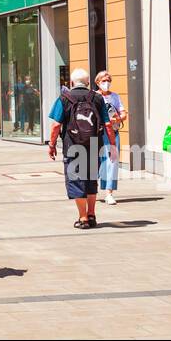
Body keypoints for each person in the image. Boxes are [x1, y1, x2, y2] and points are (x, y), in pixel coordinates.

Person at [48, 69, 114, 229]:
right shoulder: (97, 98)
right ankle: (91, 215)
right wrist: (112, 145)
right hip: (93, 143)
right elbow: (107, 124)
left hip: (73, 145)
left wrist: (51, 144)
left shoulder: (64, 98)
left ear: (71, 83)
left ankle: (82, 218)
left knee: (76, 180)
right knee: (91, 179)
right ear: (88, 83)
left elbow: (56, 125)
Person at [95, 71, 126, 205]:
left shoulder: (115, 96)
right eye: (103, 80)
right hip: (97, 132)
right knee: (95, 161)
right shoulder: (94, 96)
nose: (106, 83)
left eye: (108, 80)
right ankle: (91, 189)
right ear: (98, 82)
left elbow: (123, 114)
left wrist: (117, 118)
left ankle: (109, 193)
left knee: (112, 162)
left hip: (113, 132)